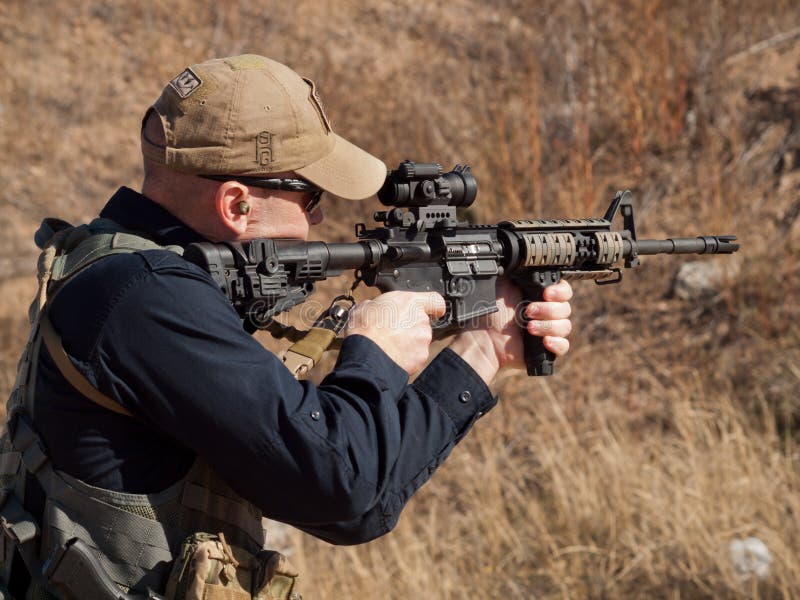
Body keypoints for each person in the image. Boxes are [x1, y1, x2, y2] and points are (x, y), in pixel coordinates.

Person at [0, 55, 572, 599]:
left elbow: (353, 499)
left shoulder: (119, 266)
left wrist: (484, 350)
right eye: (312, 195)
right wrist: (374, 353)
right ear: (236, 205)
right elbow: (342, 488)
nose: (320, 218)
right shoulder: (148, 301)